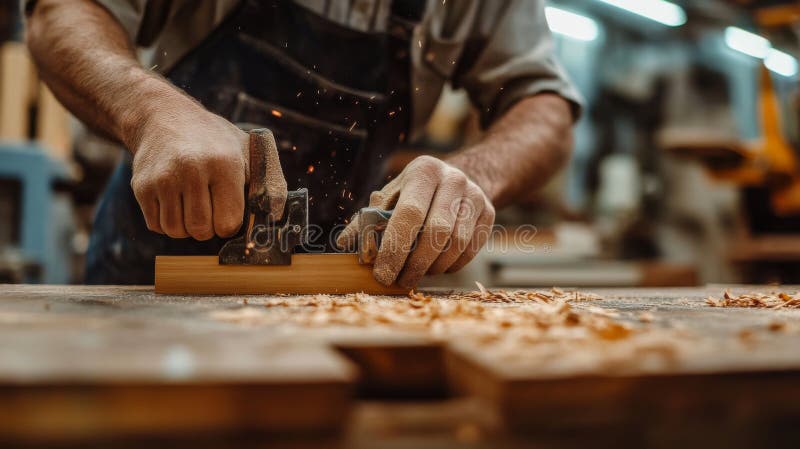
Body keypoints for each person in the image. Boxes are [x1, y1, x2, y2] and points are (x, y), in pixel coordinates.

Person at [25, 0, 580, 287]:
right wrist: (154, 113)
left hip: (349, 279)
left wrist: (473, 176)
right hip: (154, 269)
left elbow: (544, 104)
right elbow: (60, 15)